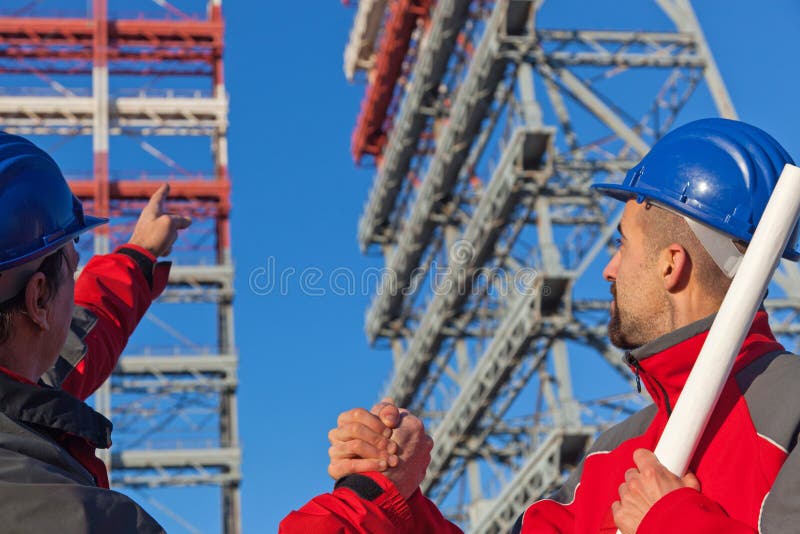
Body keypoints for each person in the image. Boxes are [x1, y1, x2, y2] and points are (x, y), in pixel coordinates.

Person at [280, 118, 800, 533]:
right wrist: (399, 500)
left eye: (622, 242)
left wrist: (673, 522)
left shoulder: (789, 408)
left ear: (671, 263)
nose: (608, 268)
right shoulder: (609, 455)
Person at [0, 132, 190, 533]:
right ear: (38, 299)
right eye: (72, 260)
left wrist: (138, 257)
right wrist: (356, 494)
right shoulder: (65, 512)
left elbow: (73, 350)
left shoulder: (17, 400)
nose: (77, 266)